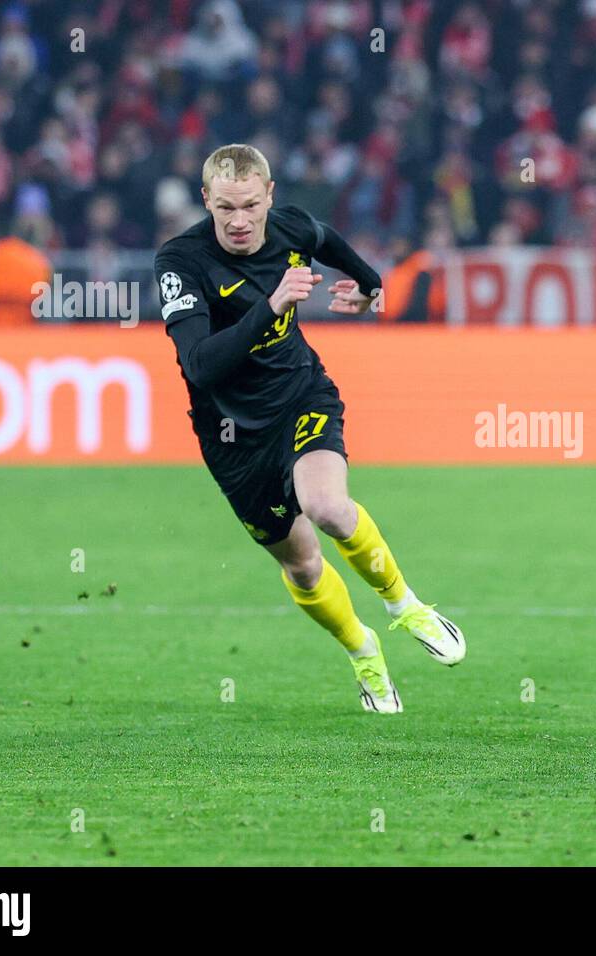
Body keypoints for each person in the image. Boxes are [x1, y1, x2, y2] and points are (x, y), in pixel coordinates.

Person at [153, 144, 465, 714]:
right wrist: (270, 307)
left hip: (301, 394)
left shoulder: (290, 226)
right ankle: (362, 650)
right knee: (301, 564)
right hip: (231, 436)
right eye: (225, 208)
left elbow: (327, 240)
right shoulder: (181, 262)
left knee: (327, 507)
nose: (240, 221)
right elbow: (198, 363)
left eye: (250, 205)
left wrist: (369, 287)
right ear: (206, 201)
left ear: (270, 195)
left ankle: (407, 607)